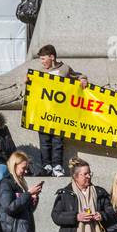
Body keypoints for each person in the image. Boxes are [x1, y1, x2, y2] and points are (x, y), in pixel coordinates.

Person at [52, 158, 115, 232]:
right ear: (76, 176)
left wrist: (102, 215)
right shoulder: (65, 193)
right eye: (85, 174)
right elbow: (56, 216)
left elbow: (111, 213)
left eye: (89, 173)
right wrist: (76, 217)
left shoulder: (100, 192)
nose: (88, 176)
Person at [32, 45, 86, 175]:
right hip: (43, 112)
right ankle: (46, 166)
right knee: (44, 141)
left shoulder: (65, 69)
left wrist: (83, 79)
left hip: (59, 113)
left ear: (52, 57)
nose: (42, 62)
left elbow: (77, 75)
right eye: (40, 59)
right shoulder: (40, 72)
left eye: (44, 58)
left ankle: (57, 166)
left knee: (57, 141)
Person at [0, 150, 43, 232]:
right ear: (14, 165)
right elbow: (10, 208)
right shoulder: (6, 183)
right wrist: (27, 194)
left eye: (26, 168)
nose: (25, 171)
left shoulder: (20, 185)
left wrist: (33, 199)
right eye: (23, 168)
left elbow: (27, 210)